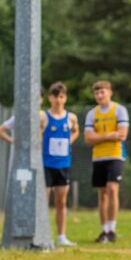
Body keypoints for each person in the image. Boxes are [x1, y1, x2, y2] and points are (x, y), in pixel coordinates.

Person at [84, 81, 129, 243]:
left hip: (115, 155)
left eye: (102, 92)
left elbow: (122, 135)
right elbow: (88, 139)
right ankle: (104, 230)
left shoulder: (119, 110)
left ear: (110, 92)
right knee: (102, 194)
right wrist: (110, 135)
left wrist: (99, 137)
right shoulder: (92, 114)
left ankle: (112, 229)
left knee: (112, 189)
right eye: (96, 93)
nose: (99, 96)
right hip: (98, 157)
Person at [42, 82, 79, 247]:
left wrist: (69, 141)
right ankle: (43, 233)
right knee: (43, 201)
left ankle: (62, 236)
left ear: (65, 98)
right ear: (50, 97)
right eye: (55, 96)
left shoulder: (71, 118)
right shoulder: (44, 117)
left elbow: (76, 130)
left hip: (63, 164)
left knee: (61, 201)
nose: (58, 99)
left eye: (62, 96)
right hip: (46, 164)